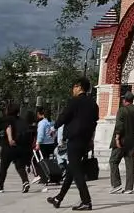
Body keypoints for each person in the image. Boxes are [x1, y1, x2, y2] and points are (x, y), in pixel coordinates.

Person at [46, 76, 99, 211]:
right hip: (85, 140)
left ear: (79, 87)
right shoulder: (94, 104)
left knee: (76, 171)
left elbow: (65, 115)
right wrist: (91, 139)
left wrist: (54, 127)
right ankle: (59, 198)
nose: (73, 89)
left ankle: (86, 201)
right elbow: (94, 123)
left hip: (75, 140)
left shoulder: (75, 101)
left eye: (74, 87)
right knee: (71, 169)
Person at [109, 92, 134, 195]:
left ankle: (116, 184)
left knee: (113, 161)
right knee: (130, 165)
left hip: (122, 141)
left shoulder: (122, 110)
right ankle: (129, 188)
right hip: (132, 141)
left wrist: (117, 138)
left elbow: (119, 125)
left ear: (124, 100)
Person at [0, 103, 31, 194]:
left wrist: (10, 138)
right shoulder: (22, 120)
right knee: (20, 166)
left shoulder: (7, 119)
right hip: (20, 147)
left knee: (3, 167)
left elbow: (8, 127)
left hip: (9, 147)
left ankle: (0, 186)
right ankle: (25, 181)